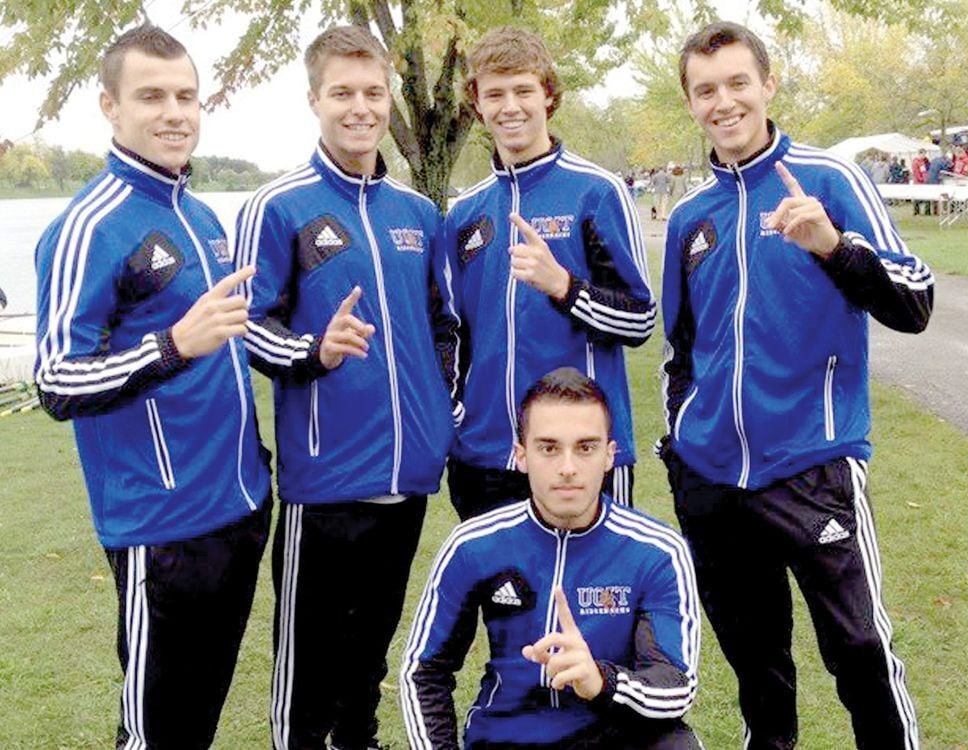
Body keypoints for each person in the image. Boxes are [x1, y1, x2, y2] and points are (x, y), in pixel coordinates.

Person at [659, 21, 933, 750]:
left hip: (814, 469)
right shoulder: (689, 217)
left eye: (738, 82)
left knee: (861, 657)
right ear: (691, 102)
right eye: (706, 89)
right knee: (759, 672)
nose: (725, 102)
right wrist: (685, 455)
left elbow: (914, 303)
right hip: (715, 483)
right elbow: (681, 353)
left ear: (768, 84)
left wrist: (833, 248)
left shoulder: (829, 181)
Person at [33, 24, 273, 749]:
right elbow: (56, 379)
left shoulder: (201, 215)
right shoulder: (90, 225)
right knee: (156, 731)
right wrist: (171, 345)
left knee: (195, 720)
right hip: (161, 531)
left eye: (186, 96)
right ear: (110, 105)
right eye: (152, 97)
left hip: (238, 509)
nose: (174, 113)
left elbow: (227, 348)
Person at [232, 25, 454, 750]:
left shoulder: (418, 214)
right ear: (313, 99)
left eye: (372, 92)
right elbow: (247, 325)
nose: (360, 108)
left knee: (367, 656)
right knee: (308, 666)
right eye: (342, 93)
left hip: (408, 481)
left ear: (387, 97)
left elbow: (443, 328)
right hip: (324, 484)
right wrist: (313, 351)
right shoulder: (280, 207)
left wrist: (437, 419)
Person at [401, 367, 702, 750]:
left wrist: (600, 680)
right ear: (521, 455)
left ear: (610, 455)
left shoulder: (657, 552)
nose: (567, 467)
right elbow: (424, 672)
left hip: (616, 733)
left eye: (586, 447)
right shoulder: (473, 545)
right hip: (507, 737)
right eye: (548, 447)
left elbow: (674, 687)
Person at [442, 26, 656, 520]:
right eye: (494, 94)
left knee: (583, 597)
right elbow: (454, 336)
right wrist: (456, 417)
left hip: (579, 456)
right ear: (477, 105)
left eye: (523, 90)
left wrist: (563, 286)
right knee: (499, 598)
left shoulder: (596, 192)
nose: (509, 106)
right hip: (485, 456)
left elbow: (639, 321)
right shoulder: (465, 213)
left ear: (549, 95)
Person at [910, 148, 930, 215]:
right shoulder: (915, 162)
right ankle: (916, 211)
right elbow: (916, 173)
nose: (924, 156)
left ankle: (926, 211)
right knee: (917, 197)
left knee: (926, 197)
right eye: (924, 154)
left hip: (923, 182)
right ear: (920, 154)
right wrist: (921, 179)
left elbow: (924, 171)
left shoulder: (922, 162)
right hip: (918, 182)